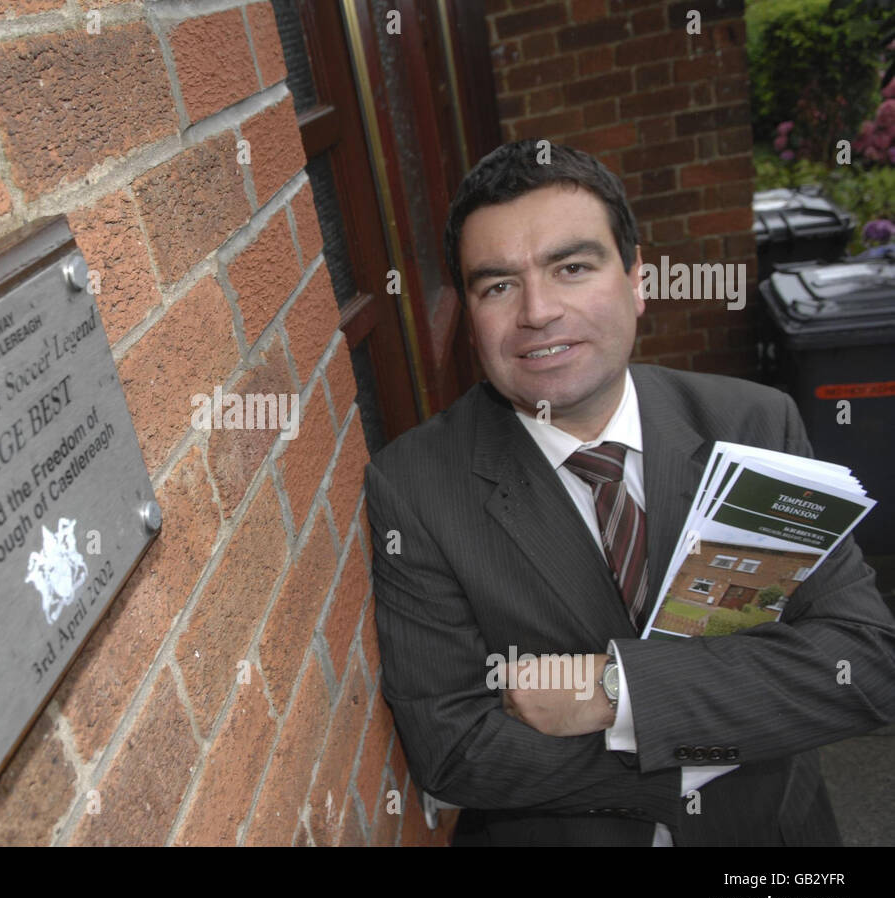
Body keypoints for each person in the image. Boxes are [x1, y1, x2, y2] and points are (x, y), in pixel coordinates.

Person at [363, 139, 895, 846]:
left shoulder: (756, 422)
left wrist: (615, 692)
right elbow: (457, 748)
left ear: (637, 279)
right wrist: (726, 733)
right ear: (469, 315)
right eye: (498, 286)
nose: (539, 311)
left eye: (572, 267)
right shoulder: (416, 487)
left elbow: (863, 662)